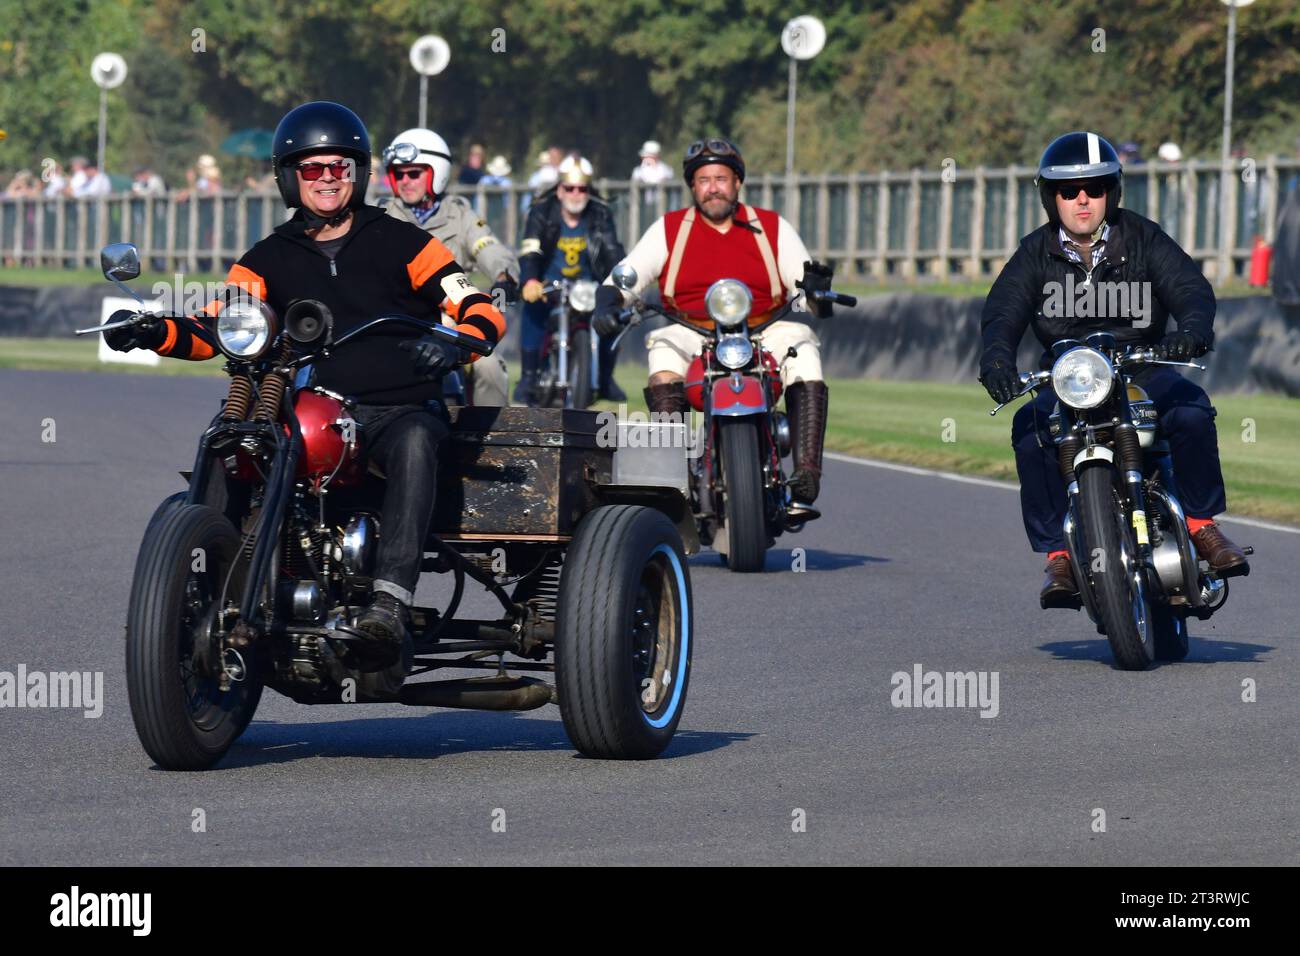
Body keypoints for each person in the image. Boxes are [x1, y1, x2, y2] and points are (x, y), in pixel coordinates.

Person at [103, 101, 507, 670]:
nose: (325, 180)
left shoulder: (407, 243)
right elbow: (218, 327)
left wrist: (456, 340)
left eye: (337, 168)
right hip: (312, 409)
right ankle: (210, 587)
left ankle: (388, 605)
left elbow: (476, 305)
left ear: (358, 174)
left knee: (418, 439)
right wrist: (151, 330)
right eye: (312, 169)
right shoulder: (264, 259)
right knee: (232, 441)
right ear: (290, 177)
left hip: (399, 408)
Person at [978, 131, 1248, 608]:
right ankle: (1059, 555)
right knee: (1029, 427)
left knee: (1189, 410)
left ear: (1112, 191)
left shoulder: (1144, 237)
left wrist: (1191, 328)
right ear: (1050, 197)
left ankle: (1202, 525)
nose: (1082, 200)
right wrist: (997, 361)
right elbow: (1002, 313)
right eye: (1069, 191)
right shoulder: (1033, 254)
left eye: (1095, 188)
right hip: (1070, 378)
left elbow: (1190, 289)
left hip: (1141, 367)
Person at [593, 137, 835, 518]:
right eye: (704, 180)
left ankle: (806, 474)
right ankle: (671, 479)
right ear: (692, 187)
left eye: (721, 178)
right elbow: (628, 276)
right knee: (662, 354)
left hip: (761, 327)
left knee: (804, 347)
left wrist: (818, 290)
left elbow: (803, 286)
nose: (713, 188)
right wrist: (608, 303)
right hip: (690, 328)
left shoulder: (771, 227)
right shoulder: (670, 229)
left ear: (737, 183)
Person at [380, 127, 518, 405]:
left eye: (414, 173)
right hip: (395, 321)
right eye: (399, 174)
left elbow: (487, 246)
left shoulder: (461, 215)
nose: (405, 181)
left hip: (452, 321)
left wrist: (503, 276)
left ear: (437, 172)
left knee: (489, 368)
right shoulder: (381, 216)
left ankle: (492, 444)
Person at [517, 155, 626, 403]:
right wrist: (531, 281)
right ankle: (529, 376)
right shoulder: (540, 212)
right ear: (559, 190)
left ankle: (606, 378)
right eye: (569, 188)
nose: (575, 194)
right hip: (549, 288)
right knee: (532, 310)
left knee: (611, 317)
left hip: (589, 290)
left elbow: (612, 251)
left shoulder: (601, 214)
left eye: (582, 189)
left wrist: (620, 283)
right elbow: (530, 251)